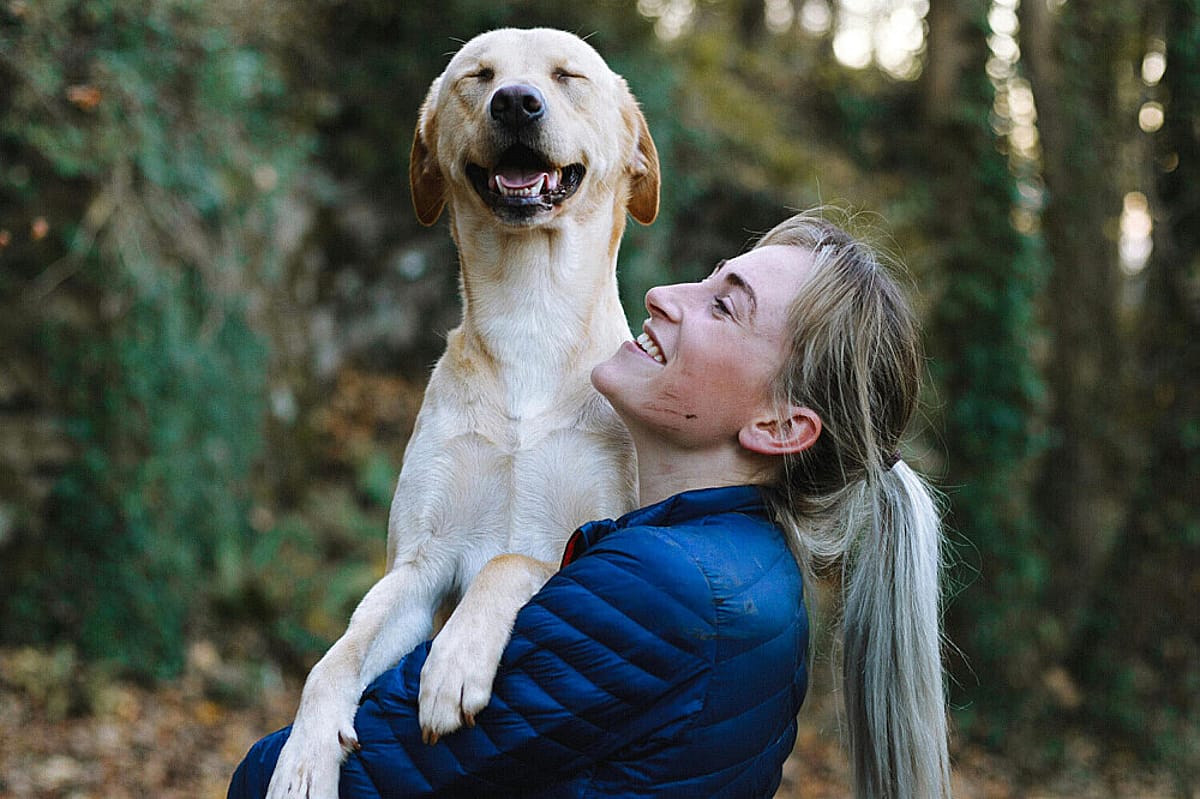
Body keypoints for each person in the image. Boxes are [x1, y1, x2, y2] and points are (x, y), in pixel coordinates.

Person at [229, 209, 952, 799]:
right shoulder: (749, 568)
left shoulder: (661, 590)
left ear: (780, 426)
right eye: (705, 279)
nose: (665, 294)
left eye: (722, 306)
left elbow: (291, 782)